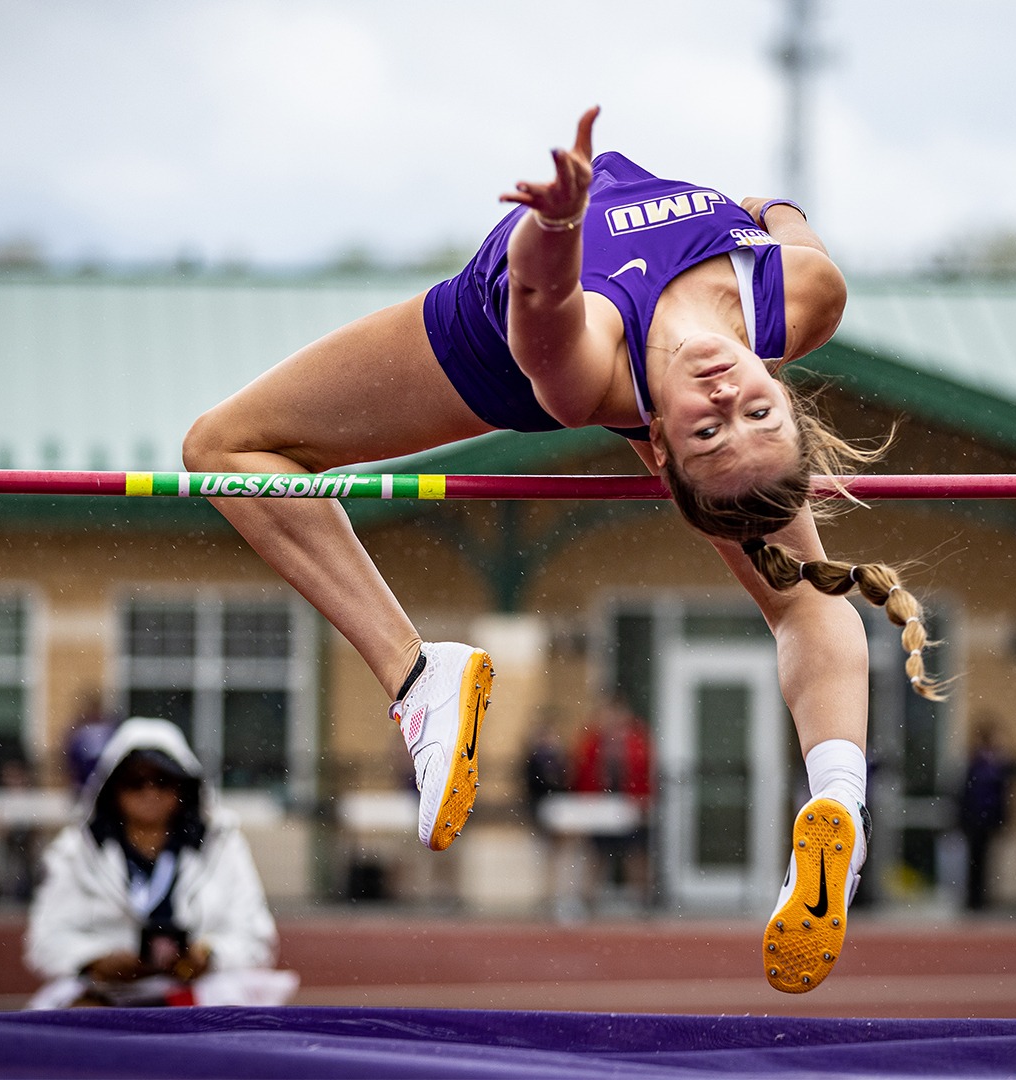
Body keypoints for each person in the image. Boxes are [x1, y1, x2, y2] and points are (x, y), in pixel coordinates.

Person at [183, 107, 943, 993]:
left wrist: (555, 227)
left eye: (708, 428)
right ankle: (839, 806)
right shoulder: (806, 295)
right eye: (757, 410)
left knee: (224, 450)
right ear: (784, 389)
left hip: (501, 332)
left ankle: (414, 673)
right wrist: (763, 204)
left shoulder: (593, 376)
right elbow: (787, 221)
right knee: (805, 594)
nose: (726, 391)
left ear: (659, 446)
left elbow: (544, 310)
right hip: (573, 277)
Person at [24, 718, 296, 1009]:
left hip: (199, 995)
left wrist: (208, 955)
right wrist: (96, 961)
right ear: (111, 788)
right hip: (103, 993)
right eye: (135, 782)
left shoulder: (222, 846)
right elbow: (45, 940)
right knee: (70, 1018)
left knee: (234, 1019)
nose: (149, 792)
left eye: (163, 781)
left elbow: (255, 935)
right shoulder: (74, 851)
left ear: (184, 787)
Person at [571, 697, 655, 903]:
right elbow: (581, 772)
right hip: (600, 804)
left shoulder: (636, 741)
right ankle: (588, 899)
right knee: (597, 855)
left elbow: (644, 773)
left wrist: (643, 799)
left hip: (629, 803)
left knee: (634, 854)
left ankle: (642, 898)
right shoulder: (592, 741)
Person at [956, 716, 1016, 911]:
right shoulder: (980, 762)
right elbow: (971, 792)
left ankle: (979, 897)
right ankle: (974, 898)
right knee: (976, 859)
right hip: (977, 818)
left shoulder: (993, 762)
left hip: (986, 817)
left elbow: (1002, 791)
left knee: (983, 859)